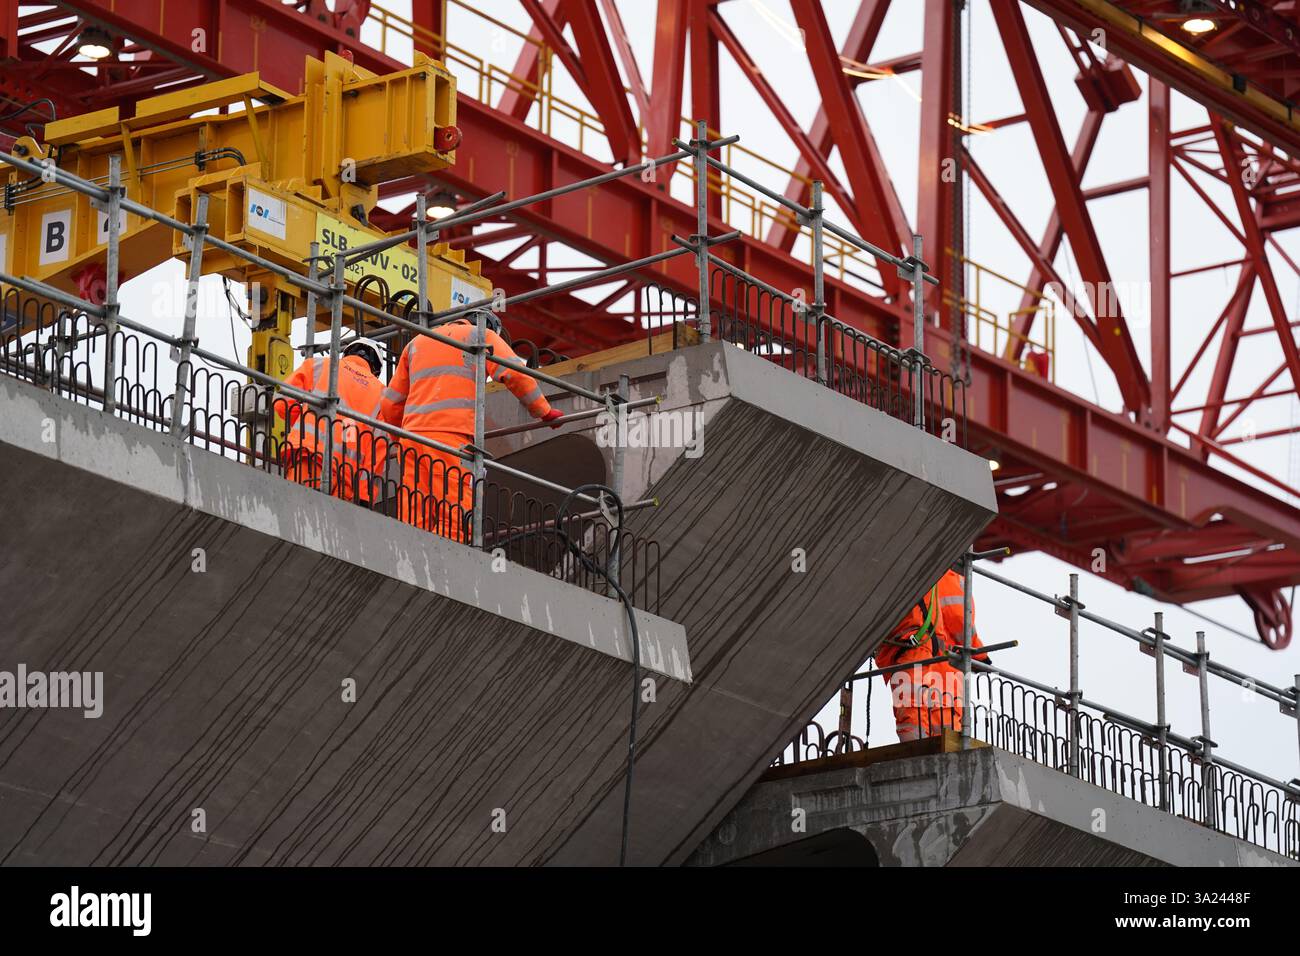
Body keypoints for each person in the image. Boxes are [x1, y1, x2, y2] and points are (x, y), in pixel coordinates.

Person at [379, 311, 562, 539]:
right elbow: (514, 373)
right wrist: (543, 411)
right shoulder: (481, 335)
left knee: (414, 513)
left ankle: (409, 563)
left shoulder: (418, 342)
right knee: (454, 516)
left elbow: (390, 403)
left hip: (412, 440)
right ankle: (445, 567)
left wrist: (400, 439)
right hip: (452, 440)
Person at [877, 568, 986, 741]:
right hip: (936, 655)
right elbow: (960, 620)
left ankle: (921, 749)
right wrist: (980, 656)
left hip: (926, 649)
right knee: (933, 711)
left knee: (919, 709)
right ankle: (926, 751)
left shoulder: (935, 573)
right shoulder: (948, 577)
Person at [279, 336, 387, 503]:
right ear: (376, 369)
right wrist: (365, 495)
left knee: (295, 518)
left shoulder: (320, 365)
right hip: (345, 479)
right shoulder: (381, 395)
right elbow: (378, 450)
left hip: (308, 459)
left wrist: (303, 426)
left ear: (347, 353)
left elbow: (281, 402)